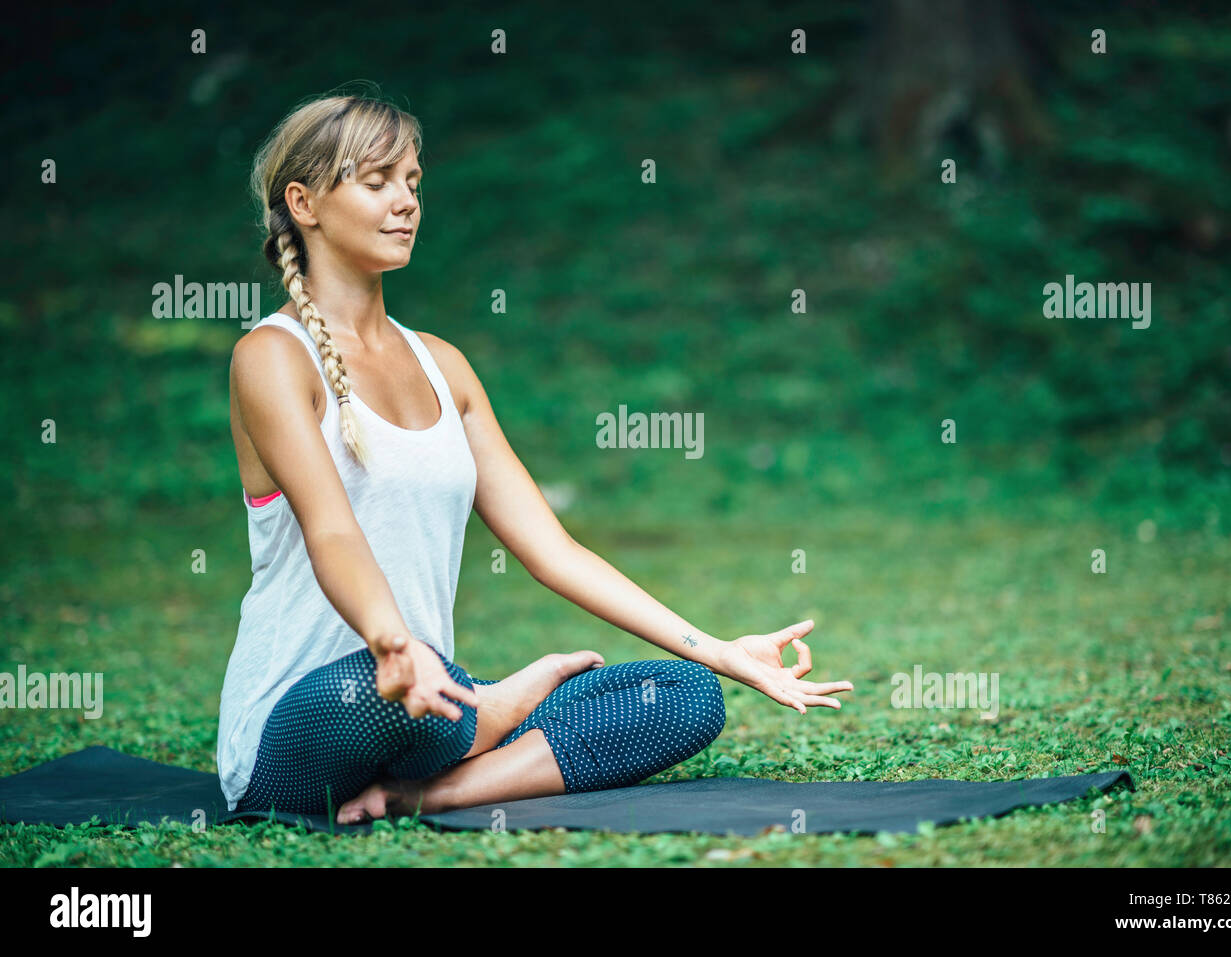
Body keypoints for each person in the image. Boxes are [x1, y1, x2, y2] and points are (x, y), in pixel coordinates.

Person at [217, 91, 854, 826]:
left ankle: (428, 790)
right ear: (304, 201)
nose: (406, 203)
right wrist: (394, 644)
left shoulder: (443, 367)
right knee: (376, 691)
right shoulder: (270, 358)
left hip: (432, 707)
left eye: (414, 183)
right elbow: (332, 529)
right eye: (377, 181)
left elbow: (553, 550)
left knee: (684, 696)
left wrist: (717, 649)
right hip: (311, 727)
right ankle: (483, 710)